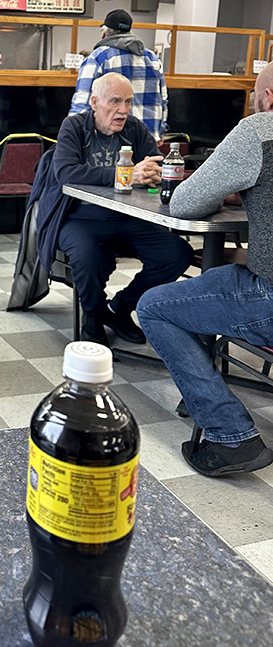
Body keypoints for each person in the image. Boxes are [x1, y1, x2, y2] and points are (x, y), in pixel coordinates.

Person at [136, 63, 273, 478]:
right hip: (256, 284)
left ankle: (230, 436)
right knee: (212, 284)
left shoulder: (258, 132)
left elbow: (183, 204)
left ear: (267, 97)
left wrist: (231, 184)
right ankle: (197, 387)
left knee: (156, 306)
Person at [31, 73, 192, 345]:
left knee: (177, 253)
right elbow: (66, 172)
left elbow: (154, 164)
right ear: (95, 102)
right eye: (115, 102)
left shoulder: (135, 129)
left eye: (128, 102)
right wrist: (124, 174)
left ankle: (118, 309)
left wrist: (155, 174)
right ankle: (92, 317)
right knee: (88, 256)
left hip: (129, 217)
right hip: (80, 217)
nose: (123, 110)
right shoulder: (74, 127)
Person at [69, 9, 168, 139]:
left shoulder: (98, 58)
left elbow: (82, 103)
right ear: (130, 32)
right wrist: (159, 133)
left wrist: (72, 135)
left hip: (112, 142)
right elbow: (163, 101)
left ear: (104, 34)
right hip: (148, 140)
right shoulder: (152, 58)